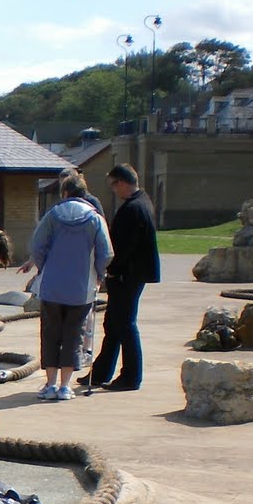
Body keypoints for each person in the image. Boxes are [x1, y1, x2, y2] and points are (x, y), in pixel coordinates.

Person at [25, 171, 111, 401]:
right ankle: (65, 386)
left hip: (52, 286)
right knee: (74, 335)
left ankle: (50, 383)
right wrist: (99, 273)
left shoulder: (53, 215)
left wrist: (43, 267)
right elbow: (106, 252)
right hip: (81, 287)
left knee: (51, 333)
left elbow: (36, 246)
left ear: (64, 192)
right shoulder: (95, 218)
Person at [81, 163, 159, 391]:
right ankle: (101, 371)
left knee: (125, 324)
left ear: (123, 183)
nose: (114, 190)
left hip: (128, 276)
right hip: (132, 275)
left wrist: (111, 270)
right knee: (114, 323)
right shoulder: (141, 203)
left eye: (114, 185)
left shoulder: (133, 209)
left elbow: (123, 249)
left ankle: (131, 376)